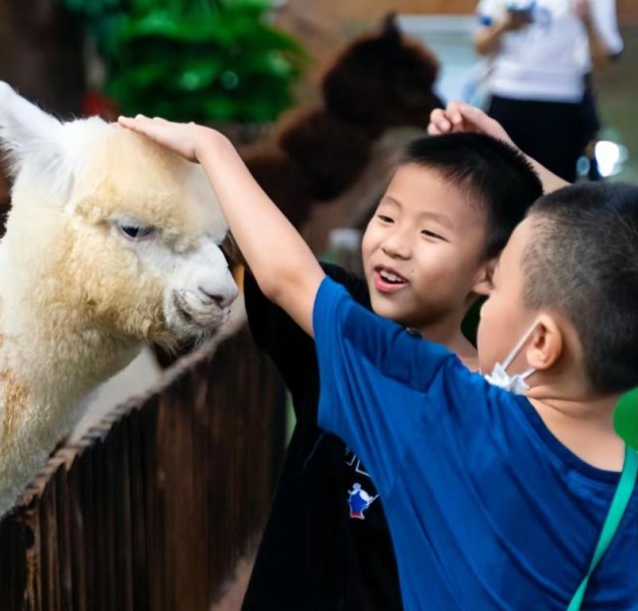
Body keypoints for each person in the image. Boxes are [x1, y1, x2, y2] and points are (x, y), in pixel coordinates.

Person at [117, 113, 638, 609]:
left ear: (542, 342)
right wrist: (518, 168)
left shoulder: (447, 404)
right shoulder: (625, 501)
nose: (396, 243)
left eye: (501, 285)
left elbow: (287, 276)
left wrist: (214, 148)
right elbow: (609, 262)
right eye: (386, 216)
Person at [237, 129, 550, 609]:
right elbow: (275, 266)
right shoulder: (339, 320)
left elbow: (607, 255)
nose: (395, 245)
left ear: (490, 271)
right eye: (386, 217)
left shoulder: (499, 397)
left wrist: (517, 159)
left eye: (430, 233)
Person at [474, 0, 623, 182]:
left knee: (552, 196)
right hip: (506, 95)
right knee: (499, 190)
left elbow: (607, 59)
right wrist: (505, 26)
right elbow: (480, 44)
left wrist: (587, 22)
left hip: (560, 103)